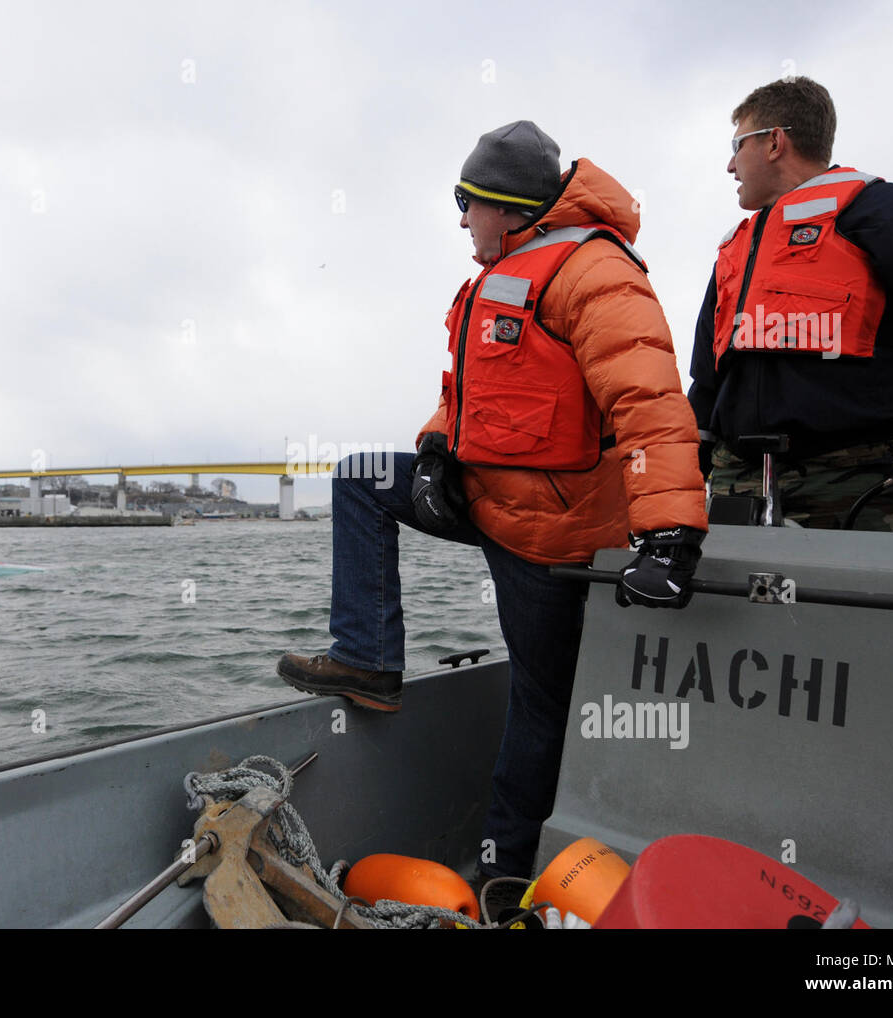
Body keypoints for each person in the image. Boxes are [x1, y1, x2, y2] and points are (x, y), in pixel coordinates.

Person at [277, 121, 707, 881]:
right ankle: (368, 662)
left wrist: (668, 533)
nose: (461, 219)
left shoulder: (594, 271)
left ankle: (505, 874)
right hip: (486, 499)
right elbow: (468, 398)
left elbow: (649, 400)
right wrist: (438, 450)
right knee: (360, 479)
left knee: (537, 708)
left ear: (506, 207)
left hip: (553, 533)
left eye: (466, 202)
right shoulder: (492, 279)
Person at [689, 76, 893, 531]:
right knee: (735, 605)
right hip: (737, 489)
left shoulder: (884, 211)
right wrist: (683, 476)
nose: (730, 165)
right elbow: (707, 384)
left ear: (774, 142)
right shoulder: (735, 251)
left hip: (857, 486)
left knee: (854, 604)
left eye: (737, 145)